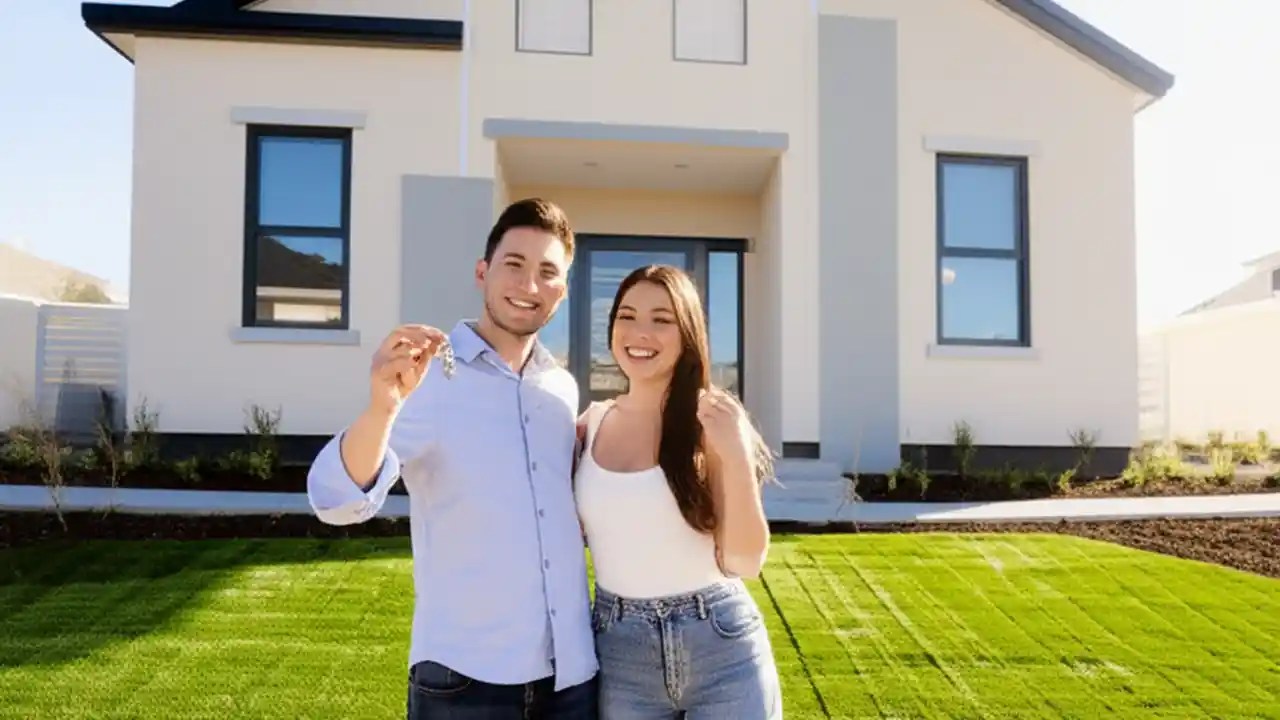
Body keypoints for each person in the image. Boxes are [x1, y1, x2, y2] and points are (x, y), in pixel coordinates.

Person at [306, 198, 598, 719]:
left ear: (564, 289)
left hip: (571, 679)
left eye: (548, 272)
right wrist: (382, 408)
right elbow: (335, 500)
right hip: (466, 682)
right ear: (483, 271)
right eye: (514, 265)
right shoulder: (429, 379)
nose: (529, 285)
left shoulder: (560, 387)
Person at [573, 264, 783, 719]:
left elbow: (746, 561)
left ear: (687, 333)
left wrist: (737, 457)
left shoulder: (714, 422)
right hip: (620, 650)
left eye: (661, 320)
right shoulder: (589, 426)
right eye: (626, 316)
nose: (639, 332)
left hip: (722, 647)